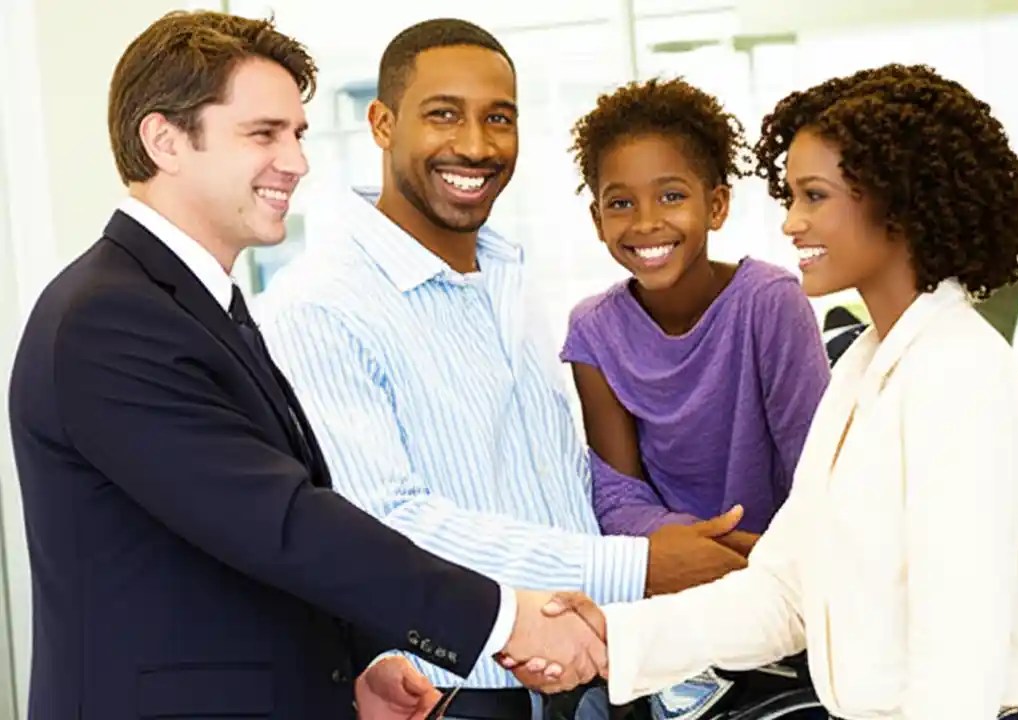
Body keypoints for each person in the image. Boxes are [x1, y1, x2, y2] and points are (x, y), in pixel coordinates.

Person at [6, 12, 602, 720]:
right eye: (263, 134)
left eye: (297, 133)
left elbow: (244, 537)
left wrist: (359, 662)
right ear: (164, 140)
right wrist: (503, 619)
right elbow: (282, 521)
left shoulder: (200, 302)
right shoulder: (110, 318)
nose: (296, 161)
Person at [515, 64, 1018, 720]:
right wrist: (612, 637)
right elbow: (787, 591)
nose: (791, 224)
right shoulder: (865, 371)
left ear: (897, 201)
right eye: (791, 197)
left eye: (814, 196)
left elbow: (959, 654)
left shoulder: (959, 373)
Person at [254, 19, 747, 720]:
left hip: (586, 682)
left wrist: (669, 541)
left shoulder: (505, 274)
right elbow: (389, 523)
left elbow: (552, 480)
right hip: (453, 699)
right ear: (383, 123)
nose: (477, 145)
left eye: (499, 118)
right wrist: (641, 567)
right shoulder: (317, 305)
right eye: (444, 114)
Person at [561, 78, 830, 549]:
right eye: (621, 203)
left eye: (671, 196)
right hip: (671, 570)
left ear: (717, 205)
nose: (645, 223)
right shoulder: (594, 330)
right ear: (597, 220)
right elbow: (619, 497)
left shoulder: (769, 302)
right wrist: (698, 549)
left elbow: (817, 474)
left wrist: (758, 557)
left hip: (784, 564)